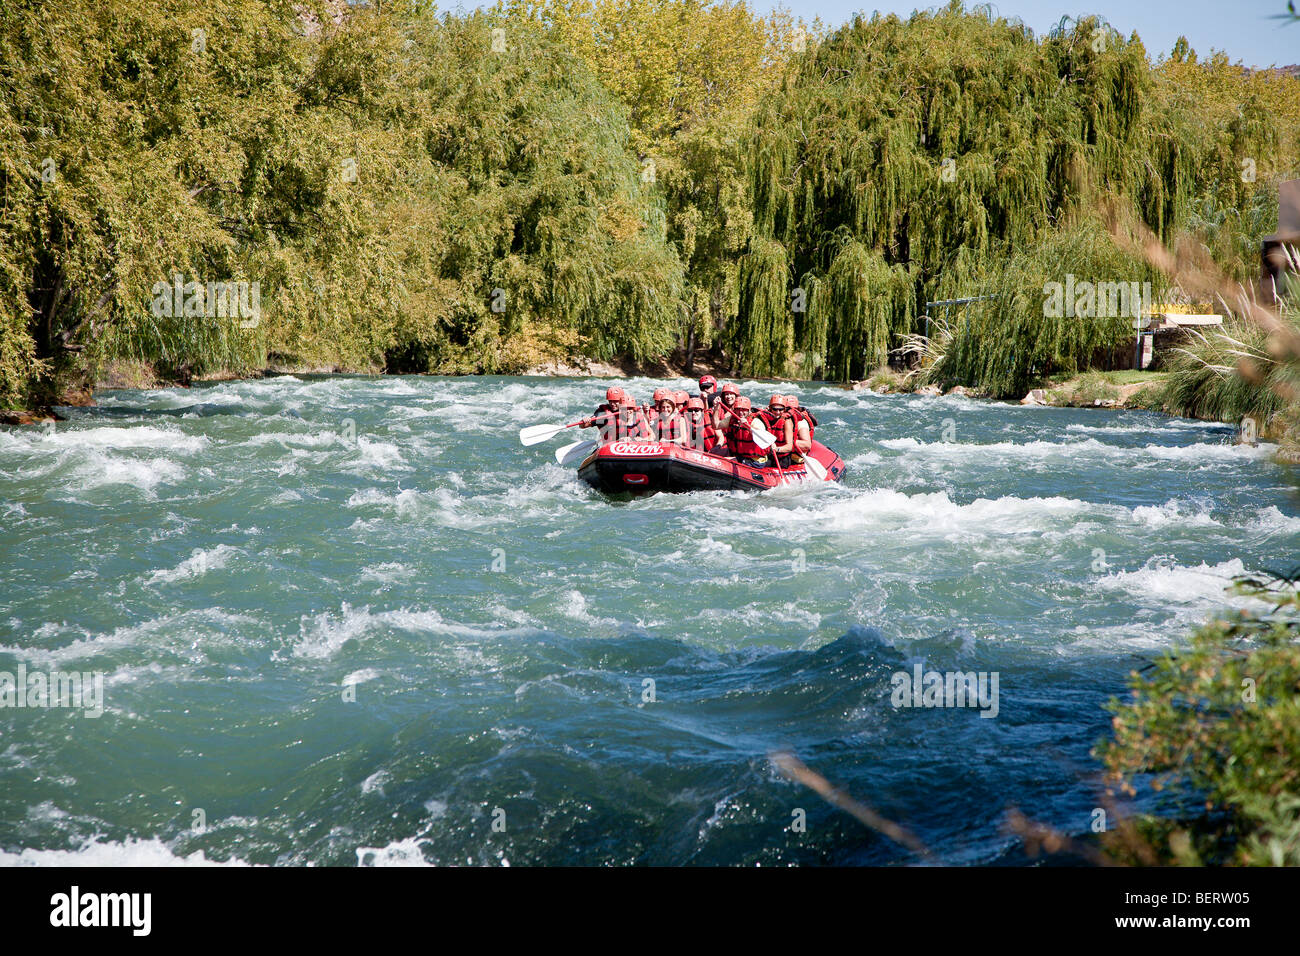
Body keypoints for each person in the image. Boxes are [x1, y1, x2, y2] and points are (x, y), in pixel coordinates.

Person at [579, 385, 649, 441]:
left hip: (632, 444)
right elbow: (582, 426)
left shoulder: (630, 410)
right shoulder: (603, 413)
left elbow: (647, 427)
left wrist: (646, 412)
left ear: (622, 400)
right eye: (610, 401)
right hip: (611, 445)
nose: (612, 404)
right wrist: (584, 421)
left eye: (615, 401)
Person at [724, 396, 769, 467]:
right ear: (734, 410)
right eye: (738, 409)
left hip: (756, 461)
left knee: (726, 462)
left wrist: (747, 426)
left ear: (749, 411)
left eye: (744, 410)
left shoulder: (756, 422)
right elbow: (716, 426)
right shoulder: (733, 420)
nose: (741, 412)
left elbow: (762, 436)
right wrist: (716, 408)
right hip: (743, 456)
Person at [756, 394, 795, 468]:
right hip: (770, 456)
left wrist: (776, 449)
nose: (777, 412)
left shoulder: (787, 422)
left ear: (784, 409)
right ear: (770, 408)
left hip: (782, 459)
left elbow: (789, 447)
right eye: (775, 409)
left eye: (780, 410)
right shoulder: (766, 417)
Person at [785, 393, 813, 464]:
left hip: (793, 459)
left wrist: (782, 441)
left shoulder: (801, 422)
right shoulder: (779, 418)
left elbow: (806, 444)